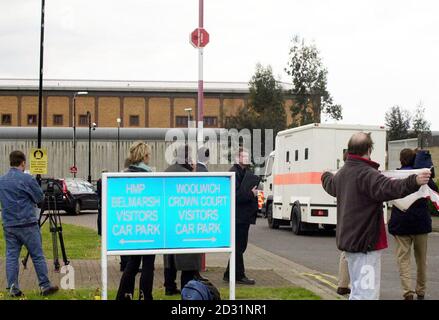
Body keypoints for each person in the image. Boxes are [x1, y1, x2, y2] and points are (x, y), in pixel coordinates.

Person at [321, 132, 431, 300]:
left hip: (350, 243)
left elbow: (329, 184)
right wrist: (414, 181)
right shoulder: (368, 174)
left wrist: (325, 175)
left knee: (358, 292)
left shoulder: (343, 174)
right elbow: (391, 188)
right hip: (366, 245)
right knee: (366, 295)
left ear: (350, 149)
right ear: (369, 149)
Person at [0, 150, 59, 297]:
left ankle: (13, 287)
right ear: (23, 163)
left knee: (12, 256)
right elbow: (39, 198)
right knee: (37, 255)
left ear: (10, 162)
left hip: (9, 224)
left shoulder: (2, 181)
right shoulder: (27, 179)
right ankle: (44, 285)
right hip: (27, 223)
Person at [388, 148, 439, 300]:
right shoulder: (423, 177)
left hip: (401, 223)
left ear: (401, 160)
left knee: (404, 259)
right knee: (421, 260)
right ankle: (421, 291)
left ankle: (407, 291)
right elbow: (435, 191)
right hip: (420, 223)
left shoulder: (395, 177)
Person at [116, 142, 155, 301]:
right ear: (145, 156)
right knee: (148, 264)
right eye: (149, 155)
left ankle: (124, 295)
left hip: (130, 224)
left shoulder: (124, 174)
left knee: (132, 262)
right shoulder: (150, 175)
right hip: (148, 224)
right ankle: (145, 295)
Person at [163, 144, 203, 295]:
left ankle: (169, 287)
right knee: (188, 258)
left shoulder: (166, 171)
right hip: (185, 220)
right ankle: (187, 290)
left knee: (170, 258)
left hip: (169, 220)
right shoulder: (188, 174)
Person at [223, 147, 259, 285]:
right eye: (244, 156)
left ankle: (229, 274)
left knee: (240, 246)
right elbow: (235, 196)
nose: (247, 158)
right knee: (238, 246)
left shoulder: (246, 172)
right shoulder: (233, 173)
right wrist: (251, 194)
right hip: (236, 216)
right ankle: (239, 275)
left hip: (245, 216)